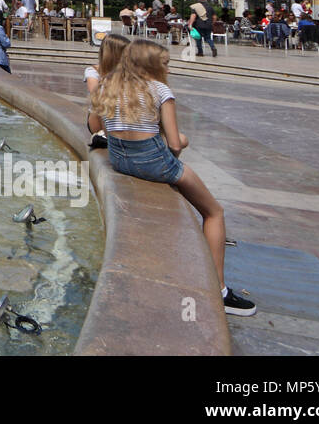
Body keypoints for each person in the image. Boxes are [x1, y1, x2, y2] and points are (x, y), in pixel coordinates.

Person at [87, 39, 256, 317]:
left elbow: (99, 128)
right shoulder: (160, 90)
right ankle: (220, 292)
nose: (169, 68)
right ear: (151, 65)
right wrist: (177, 145)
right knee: (214, 211)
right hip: (156, 164)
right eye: (165, 63)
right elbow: (175, 145)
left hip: (120, 160)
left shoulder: (108, 87)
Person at [83, 32, 130, 150]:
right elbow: (95, 94)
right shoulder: (93, 71)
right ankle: (104, 134)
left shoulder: (128, 71)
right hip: (99, 118)